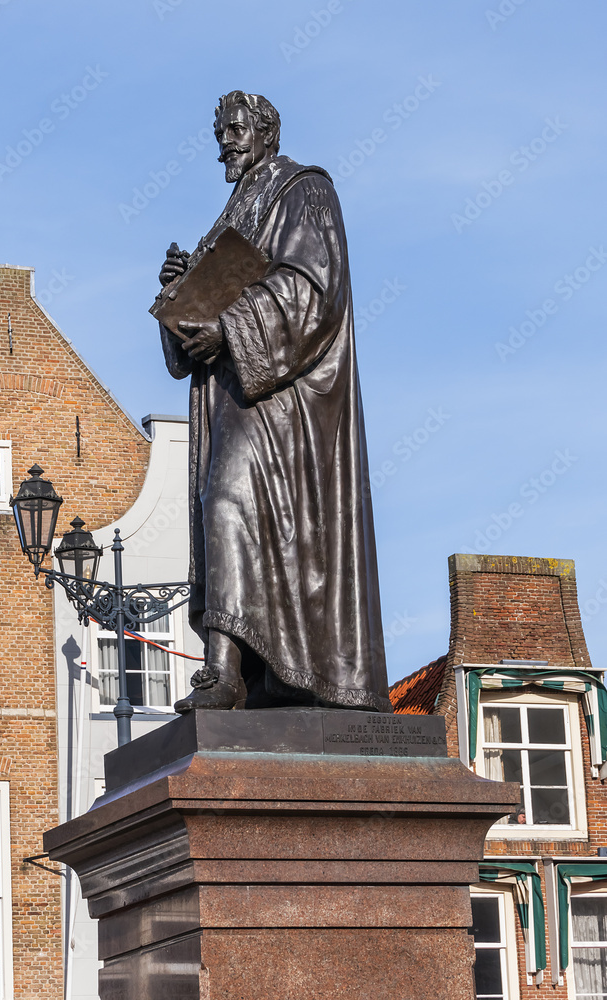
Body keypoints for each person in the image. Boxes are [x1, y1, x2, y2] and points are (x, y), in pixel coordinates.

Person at [158, 91, 391, 714]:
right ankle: (241, 672)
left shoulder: (303, 190)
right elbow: (207, 313)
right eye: (218, 132)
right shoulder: (232, 212)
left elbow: (311, 287)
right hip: (233, 395)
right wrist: (180, 294)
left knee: (227, 497)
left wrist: (230, 328)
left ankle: (226, 672)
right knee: (221, 505)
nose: (224, 142)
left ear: (265, 132)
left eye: (234, 130)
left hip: (288, 407)